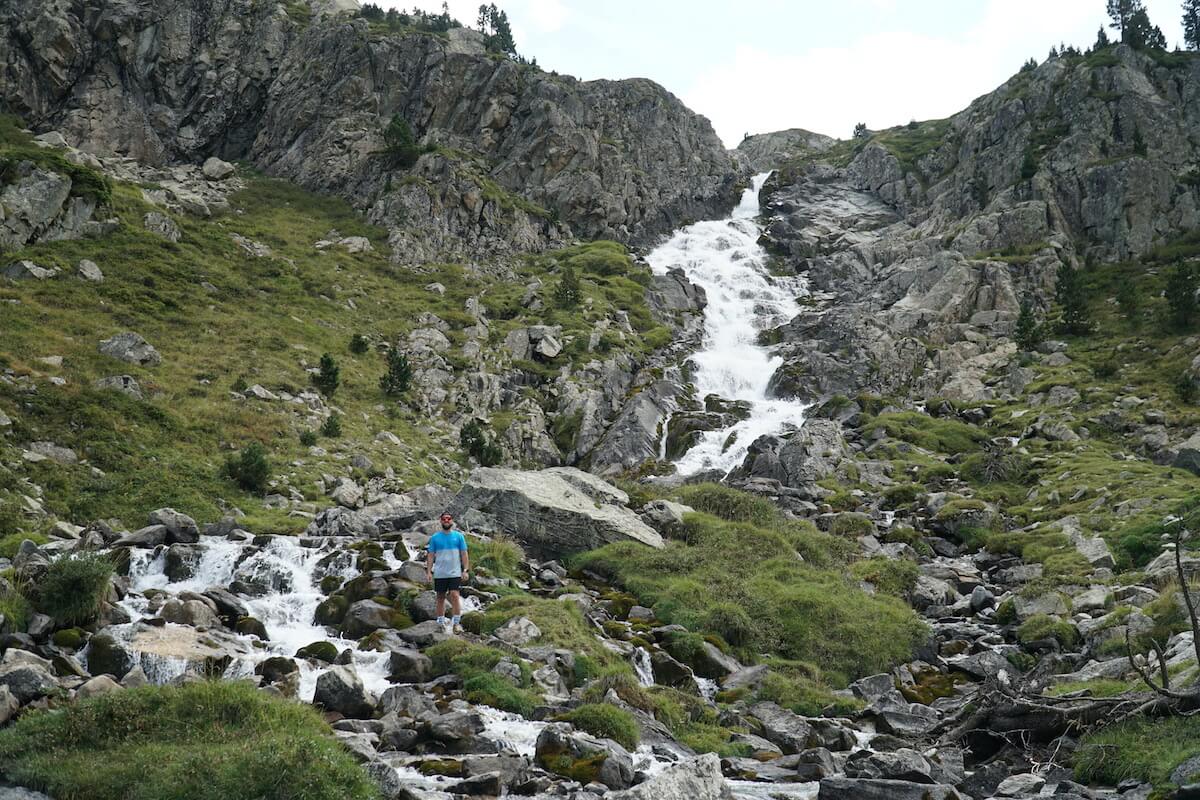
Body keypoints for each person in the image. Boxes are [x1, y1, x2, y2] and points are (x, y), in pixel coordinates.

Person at [426, 512, 470, 633]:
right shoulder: (435, 538)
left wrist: (465, 570)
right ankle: (440, 623)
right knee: (440, 597)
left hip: (455, 572)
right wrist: (429, 572)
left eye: (448, 519)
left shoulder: (459, 536)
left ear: (452, 521)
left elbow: (464, 554)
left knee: (455, 595)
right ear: (440, 521)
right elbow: (430, 556)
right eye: (444, 519)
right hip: (440, 573)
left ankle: (456, 623)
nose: (446, 521)